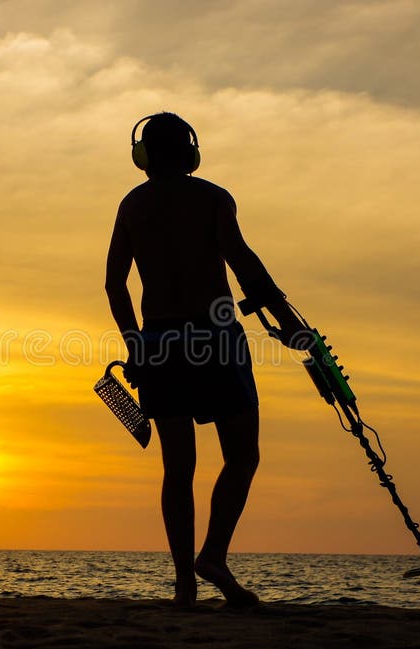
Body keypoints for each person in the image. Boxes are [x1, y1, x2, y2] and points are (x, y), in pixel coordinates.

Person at [105, 112, 307, 608]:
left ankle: (184, 585)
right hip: (216, 340)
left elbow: (115, 285)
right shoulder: (214, 198)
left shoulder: (131, 205)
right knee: (241, 456)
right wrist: (289, 323)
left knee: (178, 469)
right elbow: (245, 266)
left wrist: (137, 346)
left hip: (159, 345)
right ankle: (212, 556)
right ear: (191, 152)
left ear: (143, 156)